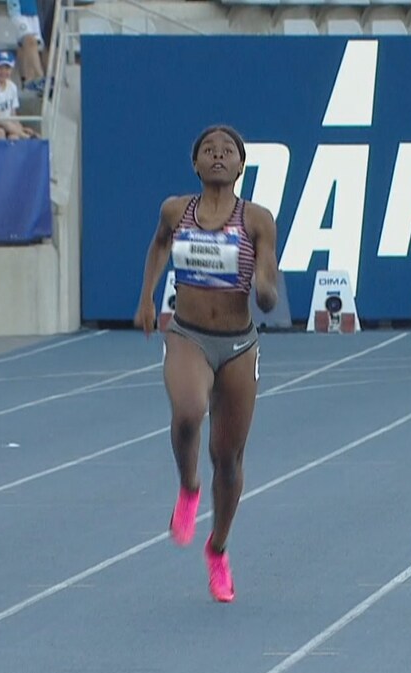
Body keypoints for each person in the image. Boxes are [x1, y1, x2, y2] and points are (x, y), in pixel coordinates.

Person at [133, 124, 280, 603]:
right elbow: (158, 246)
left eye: (228, 151)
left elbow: (268, 275)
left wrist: (262, 288)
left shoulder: (256, 218)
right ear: (195, 164)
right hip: (188, 335)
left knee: (229, 459)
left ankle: (217, 549)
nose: (218, 155)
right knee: (189, 412)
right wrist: (148, 299)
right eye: (208, 150)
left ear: (241, 166)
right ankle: (188, 486)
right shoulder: (176, 210)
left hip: (238, 344)